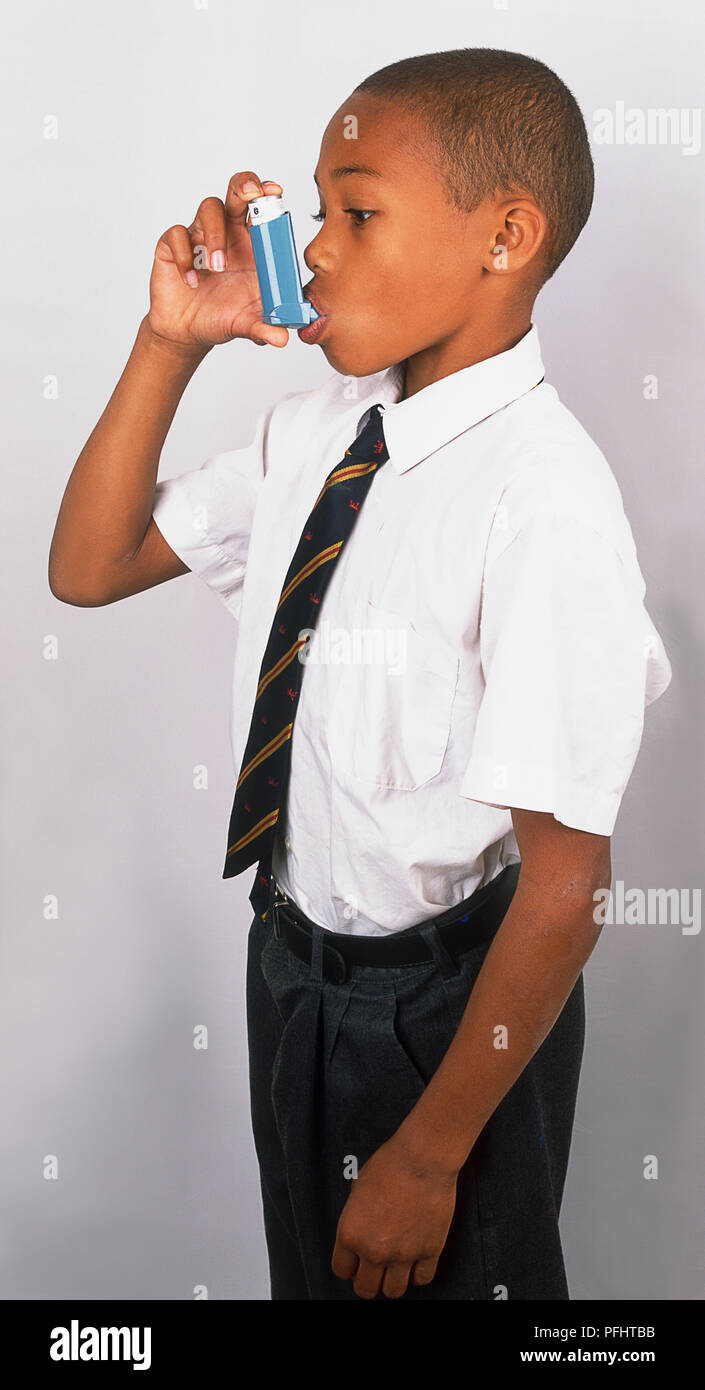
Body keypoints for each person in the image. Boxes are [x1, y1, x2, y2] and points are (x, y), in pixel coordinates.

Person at [49, 47, 673, 1300]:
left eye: (358, 211)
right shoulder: (318, 437)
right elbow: (90, 565)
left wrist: (431, 1156)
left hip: (450, 1014)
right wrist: (172, 343)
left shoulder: (542, 501)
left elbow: (563, 886)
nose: (319, 250)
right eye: (317, 212)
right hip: (289, 968)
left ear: (505, 236)